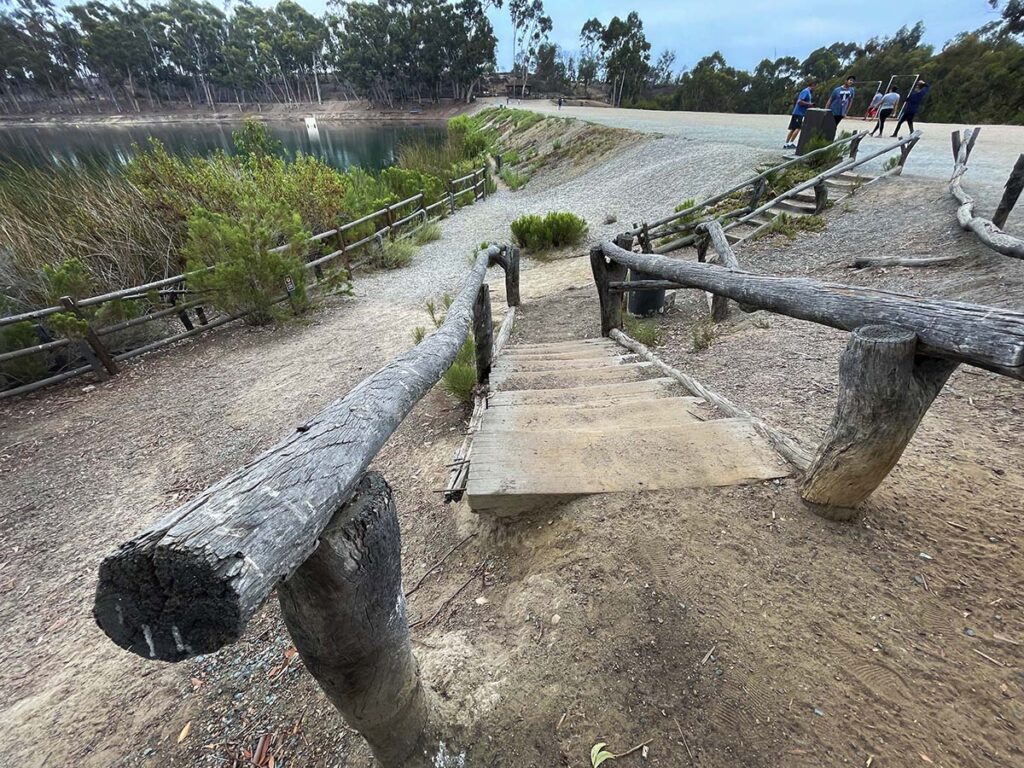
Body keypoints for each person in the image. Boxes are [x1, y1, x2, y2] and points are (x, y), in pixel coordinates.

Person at [784, 81, 815, 149]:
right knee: (798, 128)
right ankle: (790, 143)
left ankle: (786, 144)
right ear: (812, 85)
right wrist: (809, 104)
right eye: (814, 86)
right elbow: (799, 101)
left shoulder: (808, 92)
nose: (815, 88)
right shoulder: (806, 91)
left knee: (793, 128)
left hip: (798, 113)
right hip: (799, 113)